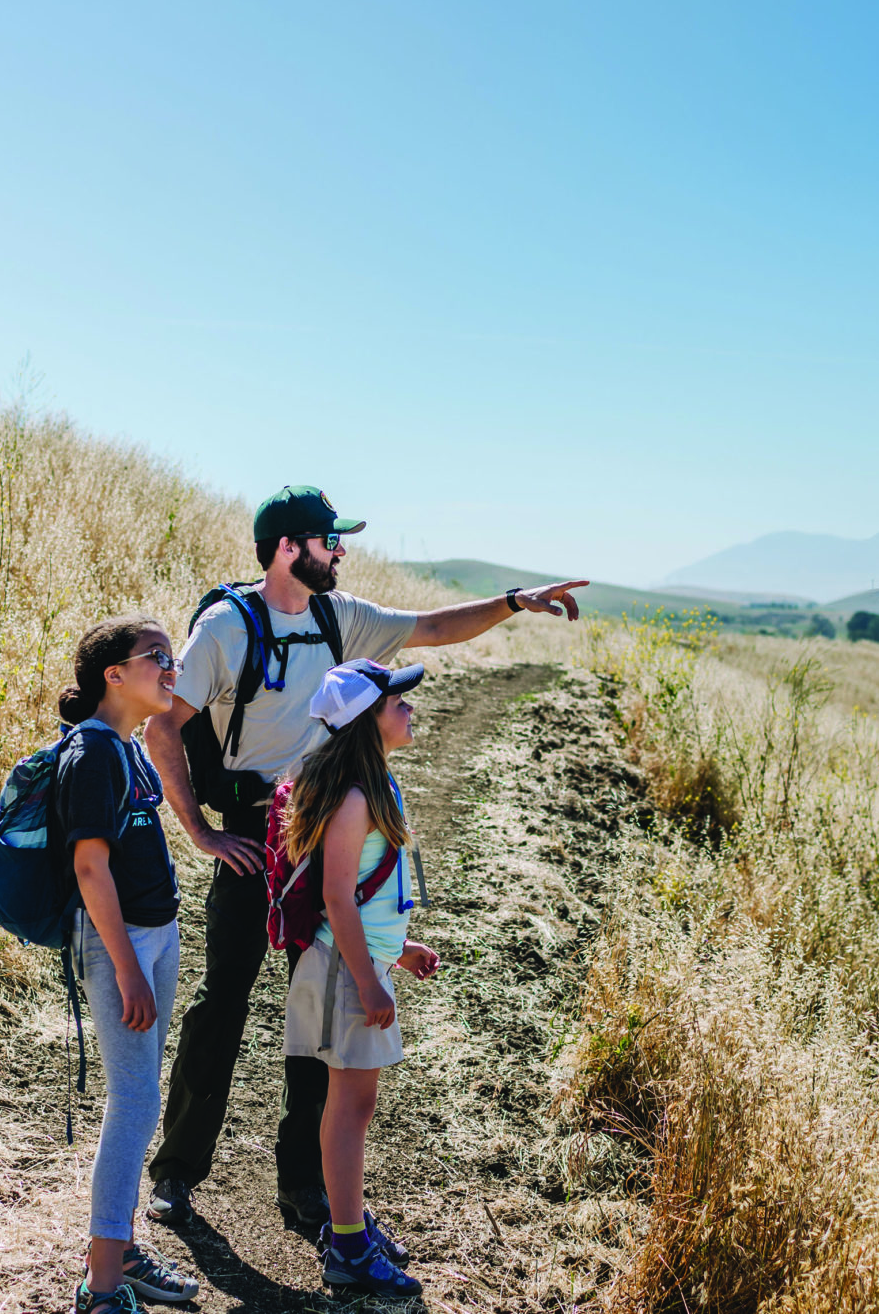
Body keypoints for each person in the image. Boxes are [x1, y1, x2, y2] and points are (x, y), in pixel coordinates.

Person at [144, 484, 585, 1229]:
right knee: (221, 1007)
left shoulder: (337, 616)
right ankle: (177, 1172)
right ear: (289, 547)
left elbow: (434, 627)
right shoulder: (226, 626)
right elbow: (165, 727)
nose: (340, 550)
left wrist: (516, 600)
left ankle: (306, 1190)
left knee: (319, 1016)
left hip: (321, 842)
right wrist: (201, 832)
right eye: (328, 539)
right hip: (251, 841)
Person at [281, 659, 439, 1292]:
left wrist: (398, 952)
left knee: (354, 1106)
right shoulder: (354, 798)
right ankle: (347, 1247)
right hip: (347, 971)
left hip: (362, 963)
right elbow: (338, 898)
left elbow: (370, 898)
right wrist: (370, 980)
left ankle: (349, 1226)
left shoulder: (375, 786)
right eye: (397, 702)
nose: (409, 710)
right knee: (349, 1110)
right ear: (365, 721)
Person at [58, 616, 201, 1313]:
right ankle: (103, 1286)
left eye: (172, 655)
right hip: (124, 947)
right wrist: (128, 968)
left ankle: (121, 1248)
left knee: (141, 1091)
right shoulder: (91, 751)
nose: (170, 667)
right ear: (113, 673)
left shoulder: (130, 747)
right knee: (136, 1100)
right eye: (156, 656)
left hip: (156, 937)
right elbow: (91, 868)